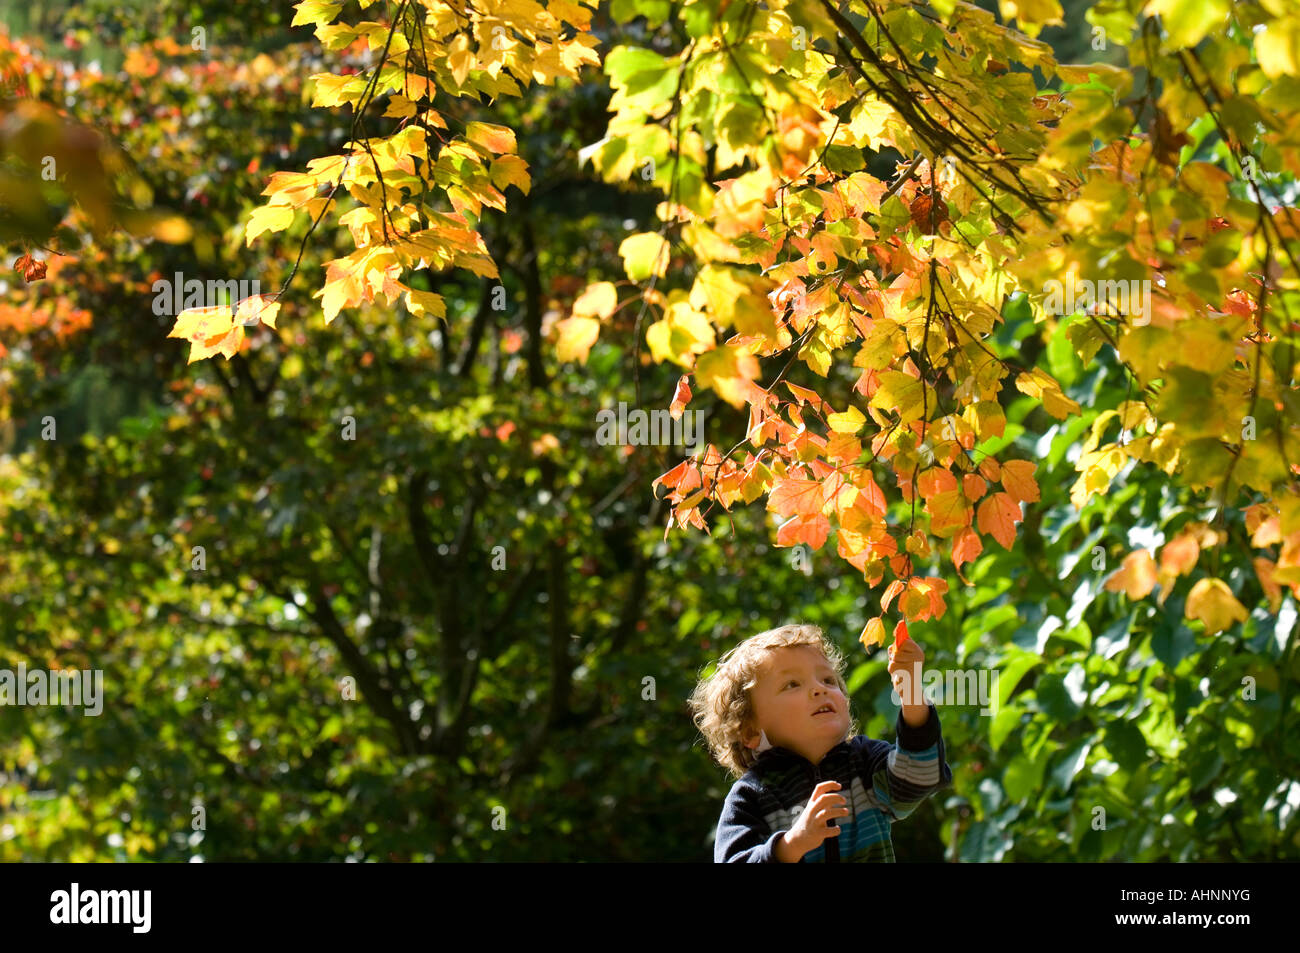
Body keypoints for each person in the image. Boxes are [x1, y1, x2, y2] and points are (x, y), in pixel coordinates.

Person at [688, 622, 952, 862]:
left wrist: (912, 694)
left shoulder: (863, 763)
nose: (820, 688)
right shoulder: (752, 797)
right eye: (792, 684)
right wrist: (792, 843)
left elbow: (919, 777)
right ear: (749, 731)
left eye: (828, 679)